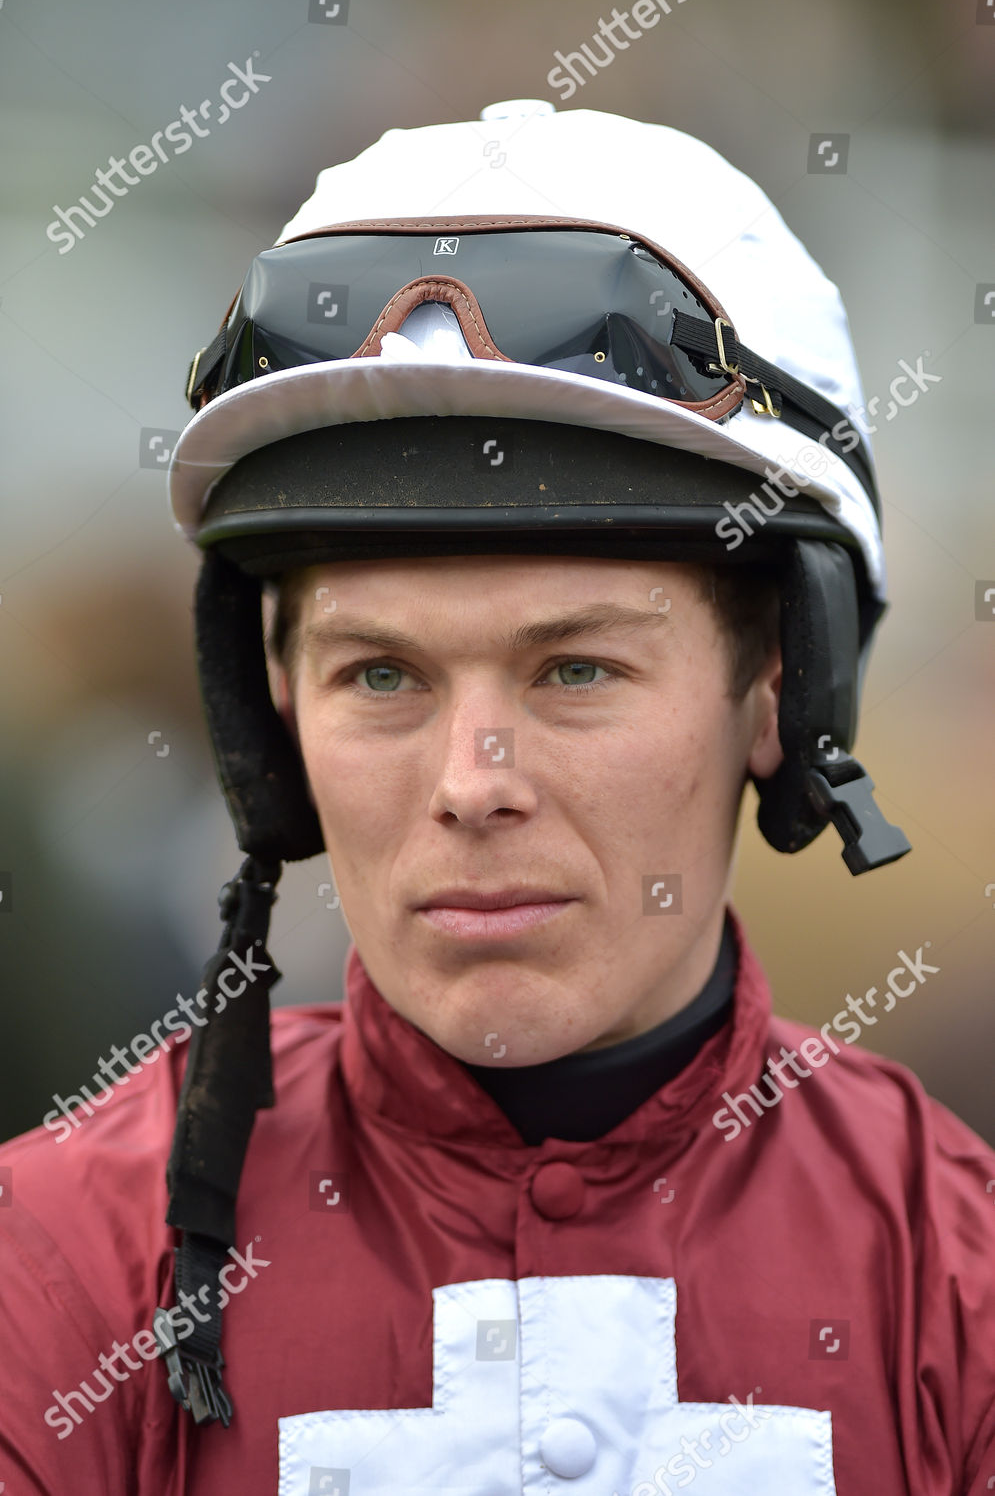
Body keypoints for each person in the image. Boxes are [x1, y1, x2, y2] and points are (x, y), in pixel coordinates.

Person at [1, 99, 993, 1496]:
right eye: (382, 677)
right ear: (270, 715)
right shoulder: (49, 1269)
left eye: (576, 670)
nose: (475, 785)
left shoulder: (962, 1287)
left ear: (779, 688)